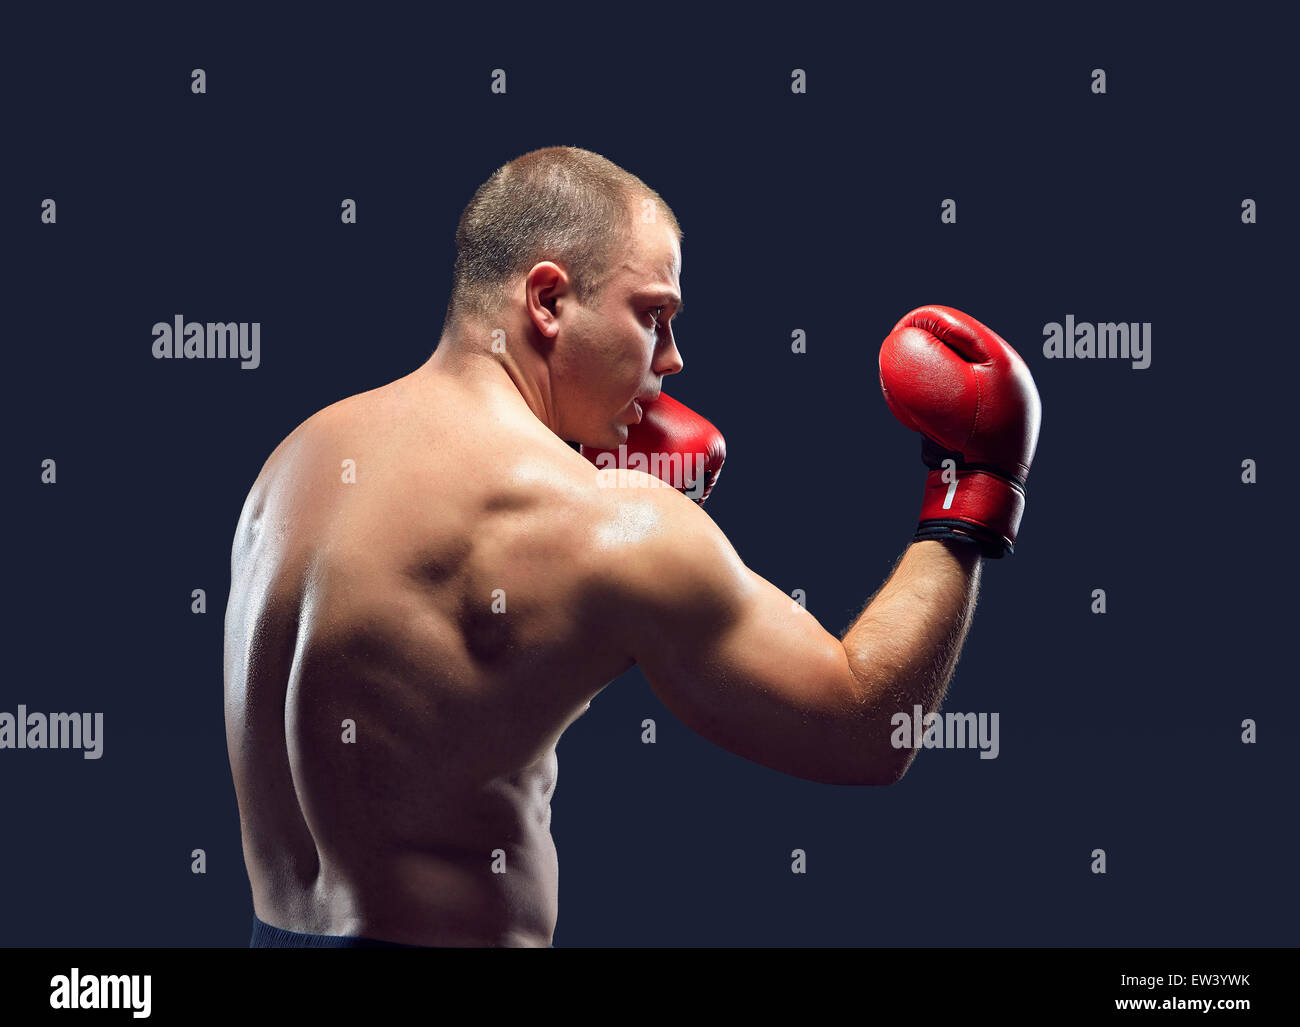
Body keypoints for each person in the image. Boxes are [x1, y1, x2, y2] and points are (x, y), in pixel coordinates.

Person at [225, 146, 1041, 948]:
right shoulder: (606, 523)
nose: (673, 358)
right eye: (654, 315)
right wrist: (975, 484)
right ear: (548, 300)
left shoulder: (296, 461)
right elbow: (867, 731)